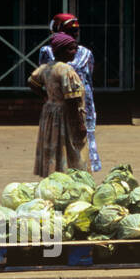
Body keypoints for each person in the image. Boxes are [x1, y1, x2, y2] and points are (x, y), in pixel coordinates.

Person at [37, 13, 100, 172]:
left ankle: (83, 174)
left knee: (83, 139)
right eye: (69, 30)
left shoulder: (86, 53)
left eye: (76, 31)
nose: (75, 34)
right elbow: (43, 77)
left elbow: (88, 77)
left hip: (82, 104)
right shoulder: (48, 52)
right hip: (60, 104)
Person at [28, 33, 87, 177]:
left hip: (50, 112)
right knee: (71, 147)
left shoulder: (46, 67)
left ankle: (55, 175)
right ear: (59, 51)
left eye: (75, 49)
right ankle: (72, 179)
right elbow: (72, 99)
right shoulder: (66, 70)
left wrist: (47, 97)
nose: (74, 52)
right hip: (67, 115)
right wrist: (79, 124)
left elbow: (32, 81)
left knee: (54, 145)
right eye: (70, 49)